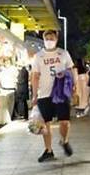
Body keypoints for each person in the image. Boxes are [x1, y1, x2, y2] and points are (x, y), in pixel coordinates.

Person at [31, 30, 75, 162]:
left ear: (56, 39)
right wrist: (34, 95)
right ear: (43, 40)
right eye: (47, 38)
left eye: (52, 38)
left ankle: (65, 140)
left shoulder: (63, 53)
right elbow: (35, 76)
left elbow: (71, 70)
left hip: (61, 93)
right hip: (44, 94)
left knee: (65, 122)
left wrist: (73, 87)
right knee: (46, 124)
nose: (49, 40)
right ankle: (48, 150)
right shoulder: (38, 56)